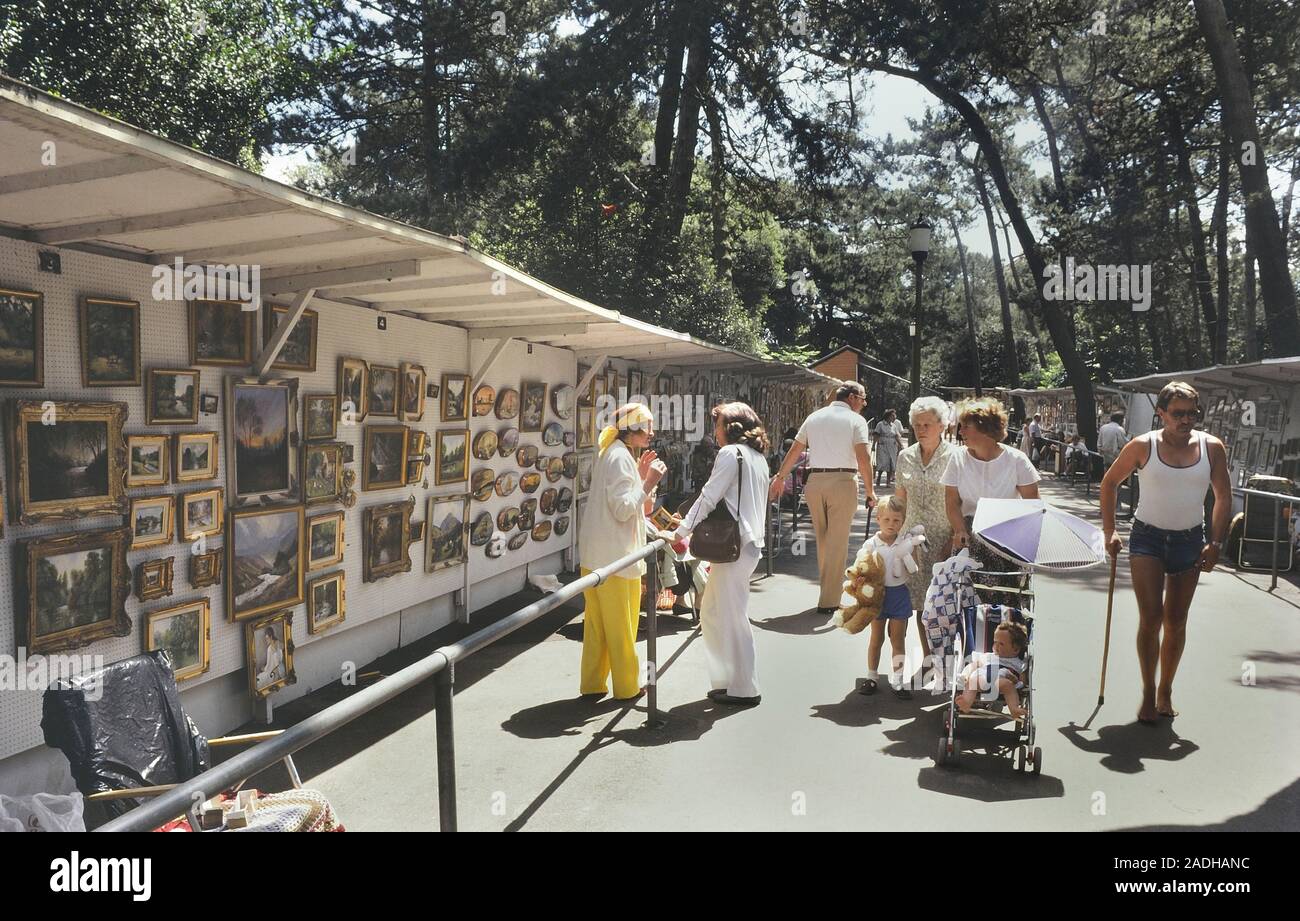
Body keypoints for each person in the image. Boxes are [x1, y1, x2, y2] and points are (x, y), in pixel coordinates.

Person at [1100, 381, 1231, 724]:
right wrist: (1110, 531)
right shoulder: (1142, 446)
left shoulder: (1212, 447)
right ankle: (1147, 690)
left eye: (1192, 413)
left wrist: (1216, 543)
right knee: (1151, 618)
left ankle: (1165, 689)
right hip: (1148, 538)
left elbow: (1222, 497)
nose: (1186, 420)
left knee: (1176, 621)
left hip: (1190, 540)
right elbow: (1109, 483)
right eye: (1178, 413)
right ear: (1161, 413)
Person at [674, 402, 771, 706]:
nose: (714, 432)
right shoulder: (757, 457)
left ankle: (744, 687)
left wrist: (681, 531)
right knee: (714, 612)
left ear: (730, 428)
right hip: (747, 544)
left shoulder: (730, 454)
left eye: (717, 425)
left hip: (735, 545)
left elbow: (709, 496)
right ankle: (727, 681)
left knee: (731, 616)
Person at [577, 402, 667, 700]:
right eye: (647, 427)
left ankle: (593, 683)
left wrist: (641, 478)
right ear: (632, 429)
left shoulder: (613, 453)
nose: (651, 432)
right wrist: (649, 481)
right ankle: (627, 687)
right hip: (617, 559)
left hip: (597, 557)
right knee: (622, 627)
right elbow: (624, 508)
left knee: (597, 627)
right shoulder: (620, 457)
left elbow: (625, 502)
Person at [769, 382, 877, 614]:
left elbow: (795, 450)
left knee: (824, 541)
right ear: (852, 397)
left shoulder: (814, 417)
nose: (864, 404)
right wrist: (870, 491)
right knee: (837, 543)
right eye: (863, 399)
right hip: (843, 481)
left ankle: (828, 593)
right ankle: (829, 600)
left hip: (815, 483)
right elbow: (863, 458)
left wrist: (780, 477)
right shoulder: (856, 421)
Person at [943, 398, 1041, 607]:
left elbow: (1033, 505)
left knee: (1007, 604)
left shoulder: (1017, 459)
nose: (960, 431)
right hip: (970, 538)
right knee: (968, 604)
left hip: (1007, 538)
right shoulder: (957, 458)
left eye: (966, 426)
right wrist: (959, 530)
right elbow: (951, 502)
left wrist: (1026, 542)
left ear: (985, 428)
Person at [895, 396, 958, 656]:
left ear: (942, 426)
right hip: (909, 544)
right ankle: (927, 658)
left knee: (942, 605)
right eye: (917, 425)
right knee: (916, 604)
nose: (921, 430)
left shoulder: (956, 457)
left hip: (944, 540)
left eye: (927, 425)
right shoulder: (905, 457)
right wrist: (890, 536)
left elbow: (963, 503)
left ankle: (945, 659)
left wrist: (954, 539)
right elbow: (899, 501)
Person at [857, 496, 919, 699]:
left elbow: (913, 568)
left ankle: (898, 681)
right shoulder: (871, 544)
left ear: (902, 521)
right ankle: (872, 677)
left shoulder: (906, 544)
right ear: (878, 519)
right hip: (878, 595)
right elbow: (860, 568)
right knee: (876, 637)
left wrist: (909, 555)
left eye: (896, 520)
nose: (891, 524)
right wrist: (861, 579)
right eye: (887, 519)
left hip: (898, 594)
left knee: (898, 639)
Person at [956, 621, 1028, 719]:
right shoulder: (988, 656)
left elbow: (1023, 682)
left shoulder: (1018, 663)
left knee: (1008, 685)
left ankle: (1014, 708)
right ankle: (966, 702)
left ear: (1015, 649)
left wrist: (1017, 681)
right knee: (972, 681)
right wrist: (966, 674)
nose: (996, 646)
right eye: (995, 642)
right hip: (982, 678)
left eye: (1001, 644)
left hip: (1000, 681)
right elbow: (974, 665)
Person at [873, 409, 904, 487]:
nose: (894, 417)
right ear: (888, 416)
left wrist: (901, 445)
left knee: (891, 463)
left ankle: (888, 481)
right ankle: (878, 478)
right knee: (882, 462)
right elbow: (876, 435)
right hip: (882, 445)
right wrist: (873, 445)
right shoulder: (880, 424)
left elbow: (896, 436)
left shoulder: (894, 426)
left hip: (892, 446)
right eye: (892, 416)